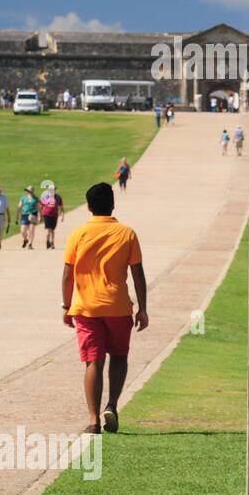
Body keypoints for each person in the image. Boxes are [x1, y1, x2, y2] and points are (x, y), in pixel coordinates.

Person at [62, 182, 148, 434]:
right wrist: (142, 308)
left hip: (87, 308)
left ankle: (93, 420)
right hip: (118, 306)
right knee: (119, 357)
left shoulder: (78, 234)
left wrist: (67, 305)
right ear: (112, 204)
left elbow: (67, 274)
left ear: (89, 207)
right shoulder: (127, 233)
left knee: (93, 362)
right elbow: (138, 274)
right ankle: (111, 404)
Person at [39, 183, 64, 249]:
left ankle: (52, 243)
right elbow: (41, 206)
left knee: (52, 230)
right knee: (48, 230)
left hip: (54, 215)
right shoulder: (45, 197)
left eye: (54, 189)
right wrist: (40, 216)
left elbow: (61, 207)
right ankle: (48, 241)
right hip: (46, 215)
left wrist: (62, 215)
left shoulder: (58, 197)